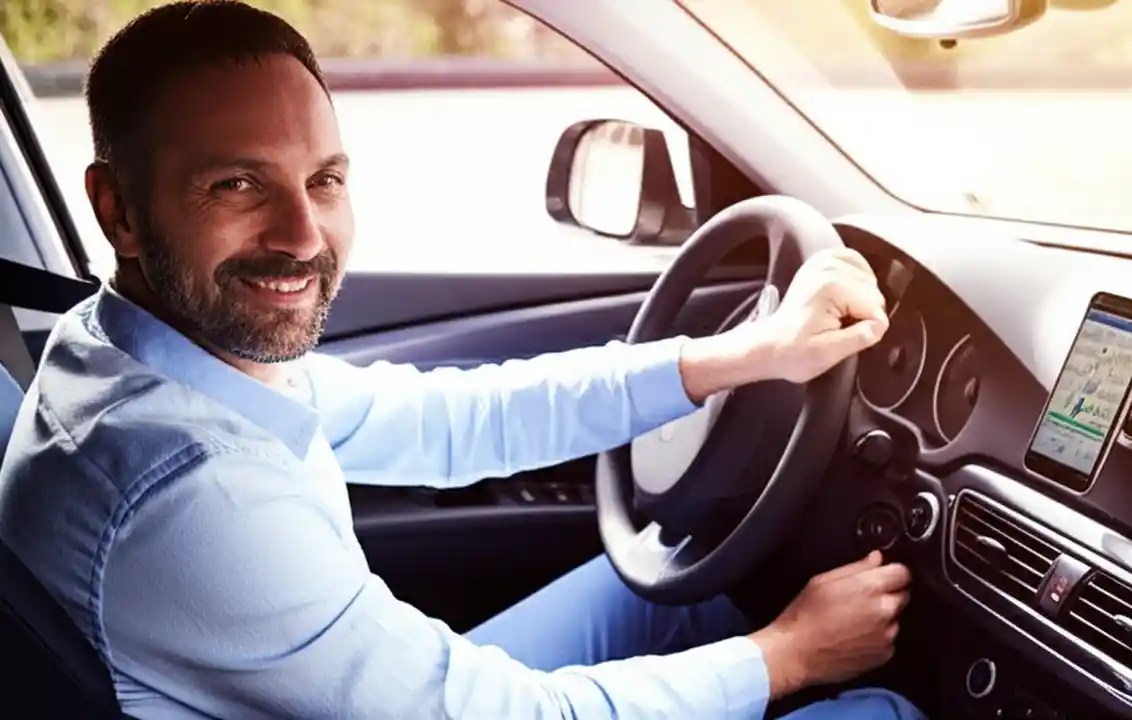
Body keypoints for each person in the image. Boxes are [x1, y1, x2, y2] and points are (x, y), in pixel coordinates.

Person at [0, 2, 924, 718]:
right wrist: (792, 655)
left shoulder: (129, 348)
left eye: (324, 180)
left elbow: (455, 419)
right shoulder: (189, 494)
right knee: (880, 709)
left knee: (668, 588)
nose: (302, 234)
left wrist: (736, 356)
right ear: (118, 210)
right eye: (237, 184)